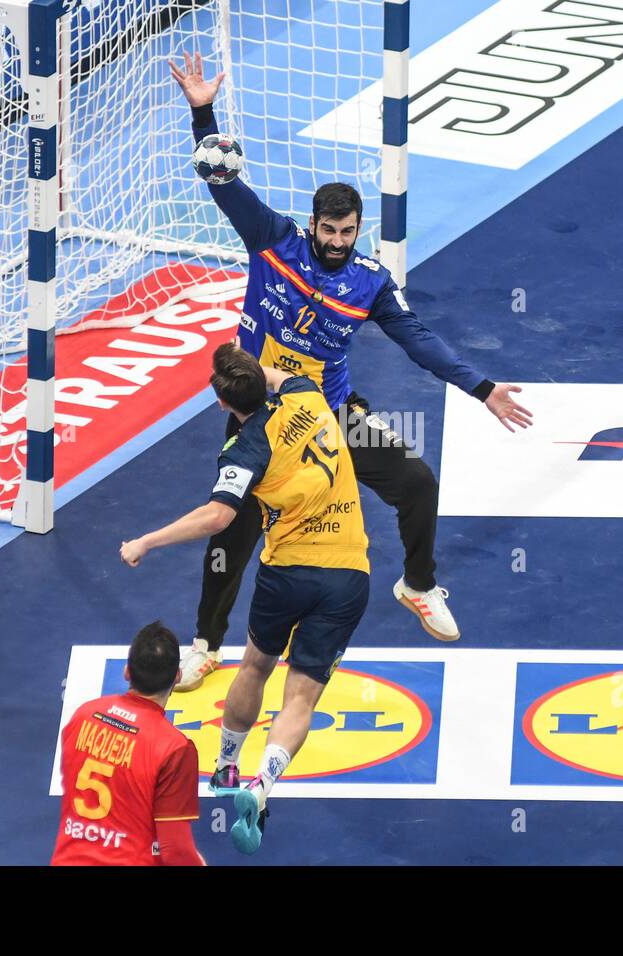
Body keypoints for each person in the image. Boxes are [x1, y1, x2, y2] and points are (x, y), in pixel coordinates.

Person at [167, 51, 534, 690]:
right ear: (313, 224)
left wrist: (482, 388)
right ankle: (204, 643)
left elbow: (416, 339)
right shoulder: (271, 240)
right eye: (330, 230)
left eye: (350, 231)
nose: (339, 241)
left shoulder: (369, 282)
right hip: (258, 416)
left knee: (416, 481)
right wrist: (203, 110)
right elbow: (222, 181)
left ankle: (417, 584)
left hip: (331, 416)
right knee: (235, 521)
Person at [120, 342, 370, 854]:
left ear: (222, 403)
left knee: (256, 666)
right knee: (301, 695)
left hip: (287, 574)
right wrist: (248, 369)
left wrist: (146, 540)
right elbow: (273, 376)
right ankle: (264, 784)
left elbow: (217, 517)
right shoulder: (307, 393)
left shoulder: (246, 448)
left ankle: (228, 764)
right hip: (346, 573)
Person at [51, 621, 205, 866]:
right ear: (177, 677)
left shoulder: (84, 715)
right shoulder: (175, 749)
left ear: (127, 672)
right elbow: (175, 850)